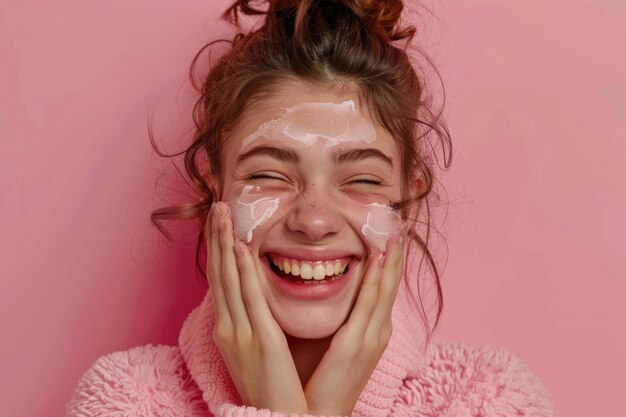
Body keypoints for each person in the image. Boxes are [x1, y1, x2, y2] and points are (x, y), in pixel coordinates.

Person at [66, 1, 555, 416]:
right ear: (214, 187)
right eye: (267, 175)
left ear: (407, 196)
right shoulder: (128, 399)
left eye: (362, 180)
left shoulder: (489, 400)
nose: (313, 221)